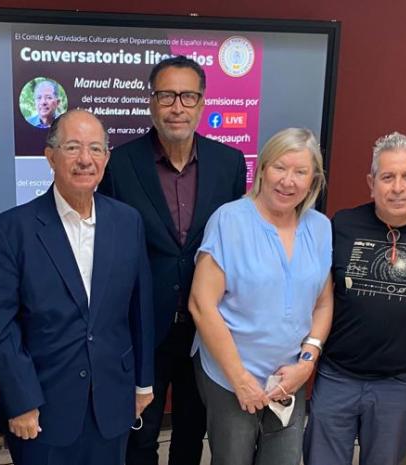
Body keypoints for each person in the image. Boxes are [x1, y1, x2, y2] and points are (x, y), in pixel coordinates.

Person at [98, 55, 247, 465]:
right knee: (140, 438)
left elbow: (234, 241)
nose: (177, 106)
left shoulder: (229, 164)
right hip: (142, 326)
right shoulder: (120, 164)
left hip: (207, 327)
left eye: (187, 96)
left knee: (190, 431)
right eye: (167, 95)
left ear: (201, 104)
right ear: (151, 102)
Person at [0, 109, 154, 465]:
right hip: (42, 410)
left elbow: (140, 309)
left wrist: (142, 383)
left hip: (112, 400)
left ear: (107, 158)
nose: (85, 159)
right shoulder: (12, 229)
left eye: (95, 149)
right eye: (73, 147)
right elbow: (2, 326)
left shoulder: (127, 222)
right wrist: (21, 400)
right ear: (50, 156)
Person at [304, 132, 406, 465]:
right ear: (372, 183)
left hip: (400, 383)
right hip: (336, 376)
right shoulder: (341, 224)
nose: (397, 187)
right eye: (387, 177)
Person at [188, 128, 333, 465]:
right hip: (229, 375)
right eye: (280, 168)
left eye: (301, 172)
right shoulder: (230, 220)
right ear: (263, 168)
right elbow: (201, 304)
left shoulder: (319, 227)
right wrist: (240, 379)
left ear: (313, 181)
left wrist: (306, 363)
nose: (288, 181)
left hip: (288, 376)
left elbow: (324, 302)